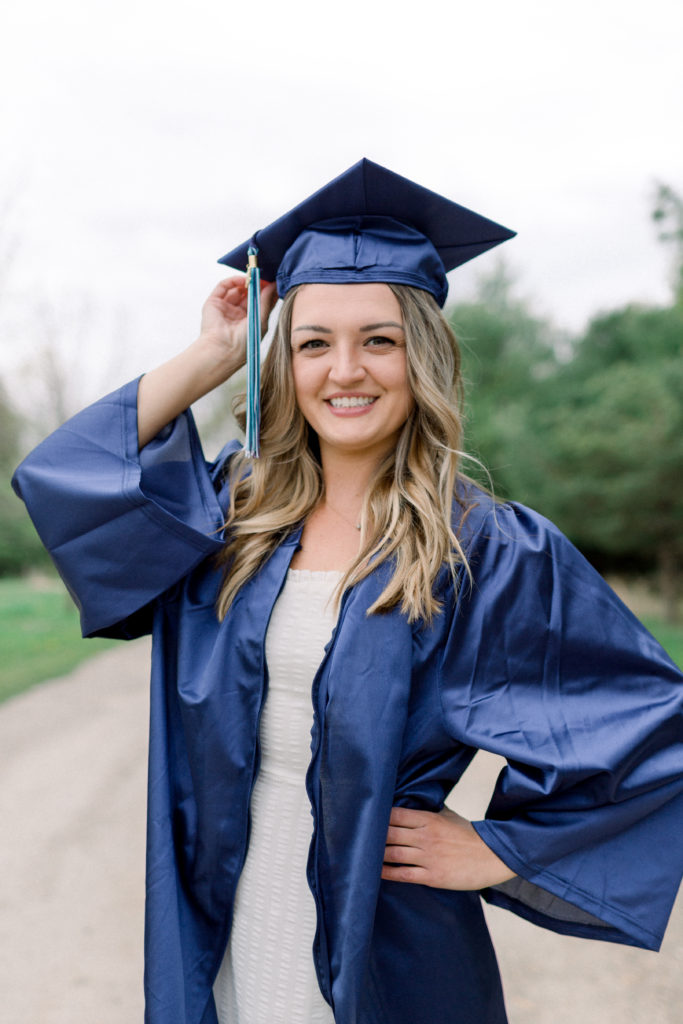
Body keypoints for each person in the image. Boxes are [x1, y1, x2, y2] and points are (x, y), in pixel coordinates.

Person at [12, 159, 683, 1024]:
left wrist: (494, 848)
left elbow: (650, 727)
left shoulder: (484, 546)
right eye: (313, 342)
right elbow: (63, 477)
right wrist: (216, 355)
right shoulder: (231, 517)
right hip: (224, 910)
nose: (345, 371)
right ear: (281, 365)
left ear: (422, 357)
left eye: (378, 339)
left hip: (387, 934)